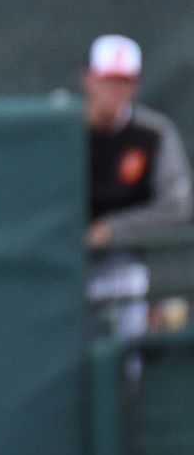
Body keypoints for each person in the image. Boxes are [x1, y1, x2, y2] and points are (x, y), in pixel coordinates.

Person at [82, 34, 193, 377]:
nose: (114, 90)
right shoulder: (64, 131)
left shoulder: (152, 134)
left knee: (123, 364)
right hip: (64, 265)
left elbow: (178, 205)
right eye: (107, 80)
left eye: (124, 81)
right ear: (89, 79)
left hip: (124, 265)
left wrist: (113, 230)